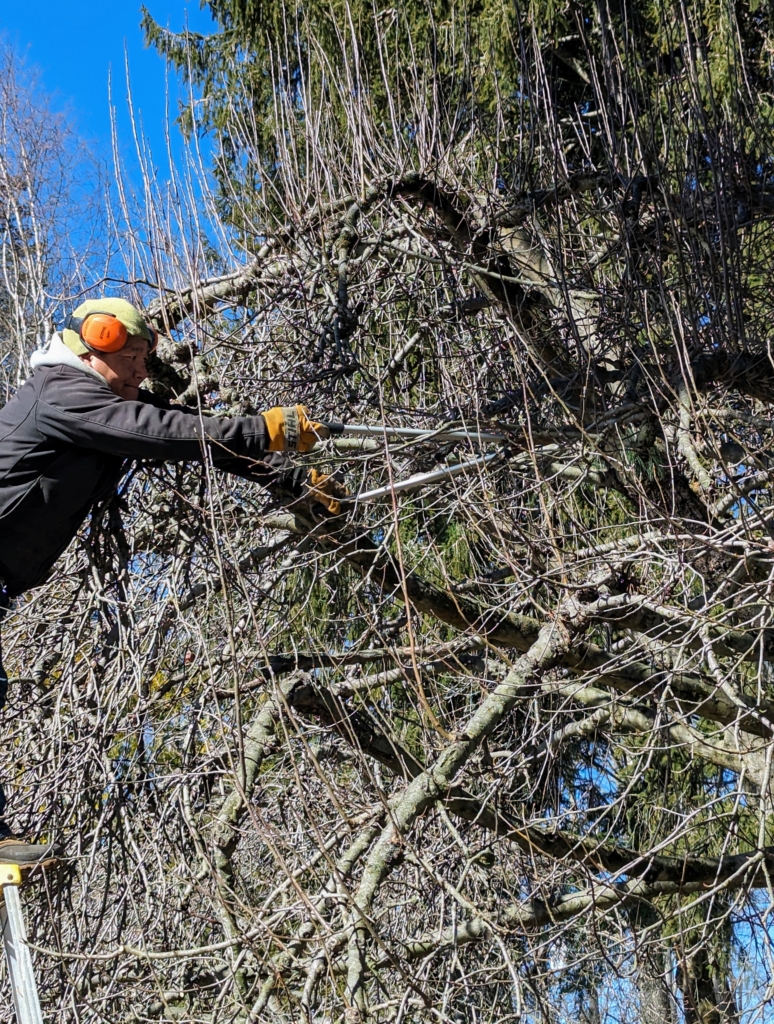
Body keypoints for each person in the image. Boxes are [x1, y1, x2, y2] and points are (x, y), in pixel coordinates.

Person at [0, 297, 342, 868]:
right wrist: (264, 429)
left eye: (144, 358)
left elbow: (193, 437)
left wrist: (289, 477)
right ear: (94, 345)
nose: (140, 370)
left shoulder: (99, 396)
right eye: (132, 358)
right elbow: (154, 431)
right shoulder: (62, 392)